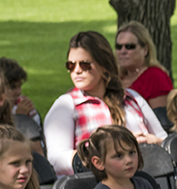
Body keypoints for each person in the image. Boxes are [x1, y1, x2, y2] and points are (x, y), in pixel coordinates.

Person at [43, 31, 167, 177]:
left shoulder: (131, 98)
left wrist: (154, 142)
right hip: (97, 187)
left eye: (85, 64)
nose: (77, 71)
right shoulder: (66, 105)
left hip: (146, 180)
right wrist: (105, 154)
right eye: (71, 65)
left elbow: (165, 141)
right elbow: (56, 159)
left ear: (104, 66)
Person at [114, 21, 174, 109]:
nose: (123, 51)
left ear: (145, 49)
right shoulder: (117, 77)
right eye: (119, 46)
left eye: (129, 46)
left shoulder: (156, 78)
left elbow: (162, 120)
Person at [0, 57, 40, 128]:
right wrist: (19, 119)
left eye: (20, 86)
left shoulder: (23, 110)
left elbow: (37, 137)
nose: (19, 92)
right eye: (12, 87)